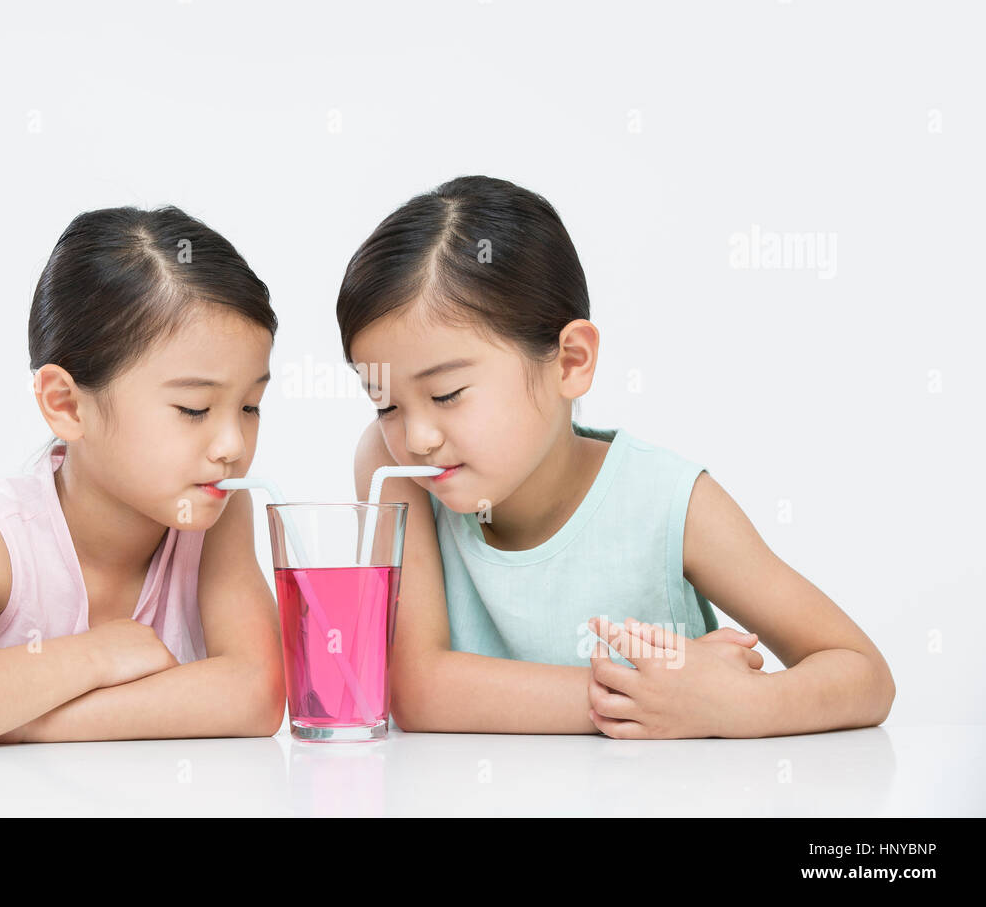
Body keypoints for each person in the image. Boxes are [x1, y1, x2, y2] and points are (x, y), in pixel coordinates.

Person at [339, 174, 895, 738]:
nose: (417, 437)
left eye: (446, 395)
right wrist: (651, 698)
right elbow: (419, 691)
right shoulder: (398, 475)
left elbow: (864, 673)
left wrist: (736, 705)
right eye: (384, 403)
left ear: (570, 361)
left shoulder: (669, 503)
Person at [0, 205, 285, 752]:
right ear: (67, 406)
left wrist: (18, 719)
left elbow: (258, 693)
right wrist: (99, 654)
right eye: (194, 408)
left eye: (250, 406)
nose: (233, 447)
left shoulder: (217, 513)